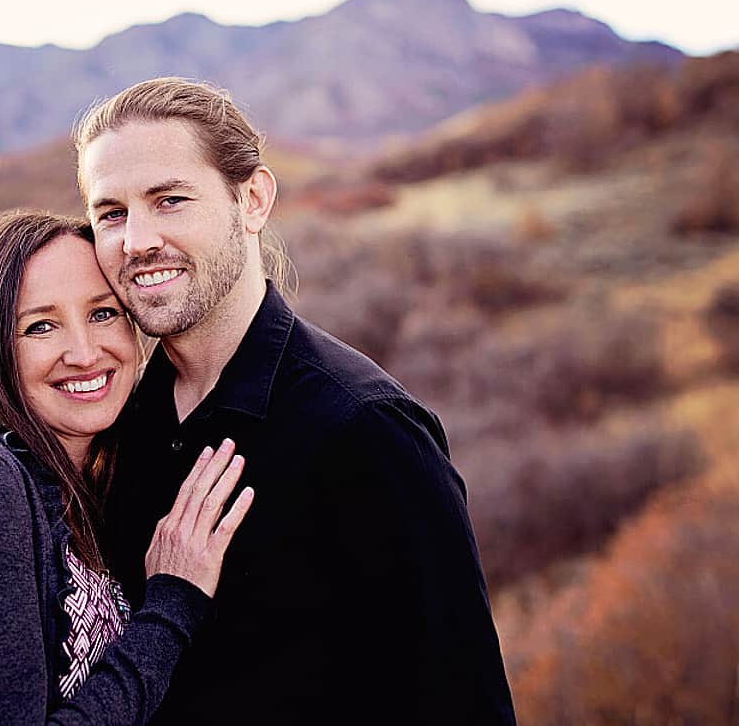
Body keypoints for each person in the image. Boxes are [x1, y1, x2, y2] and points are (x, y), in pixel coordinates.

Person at [74, 78, 517, 724]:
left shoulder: (365, 430)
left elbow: (463, 703)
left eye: (169, 199)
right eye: (110, 212)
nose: (136, 241)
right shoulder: (119, 424)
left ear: (252, 198)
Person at [0, 210, 254, 724]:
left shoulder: (86, 484)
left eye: (102, 314)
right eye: (41, 326)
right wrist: (172, 603)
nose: (84, 352)